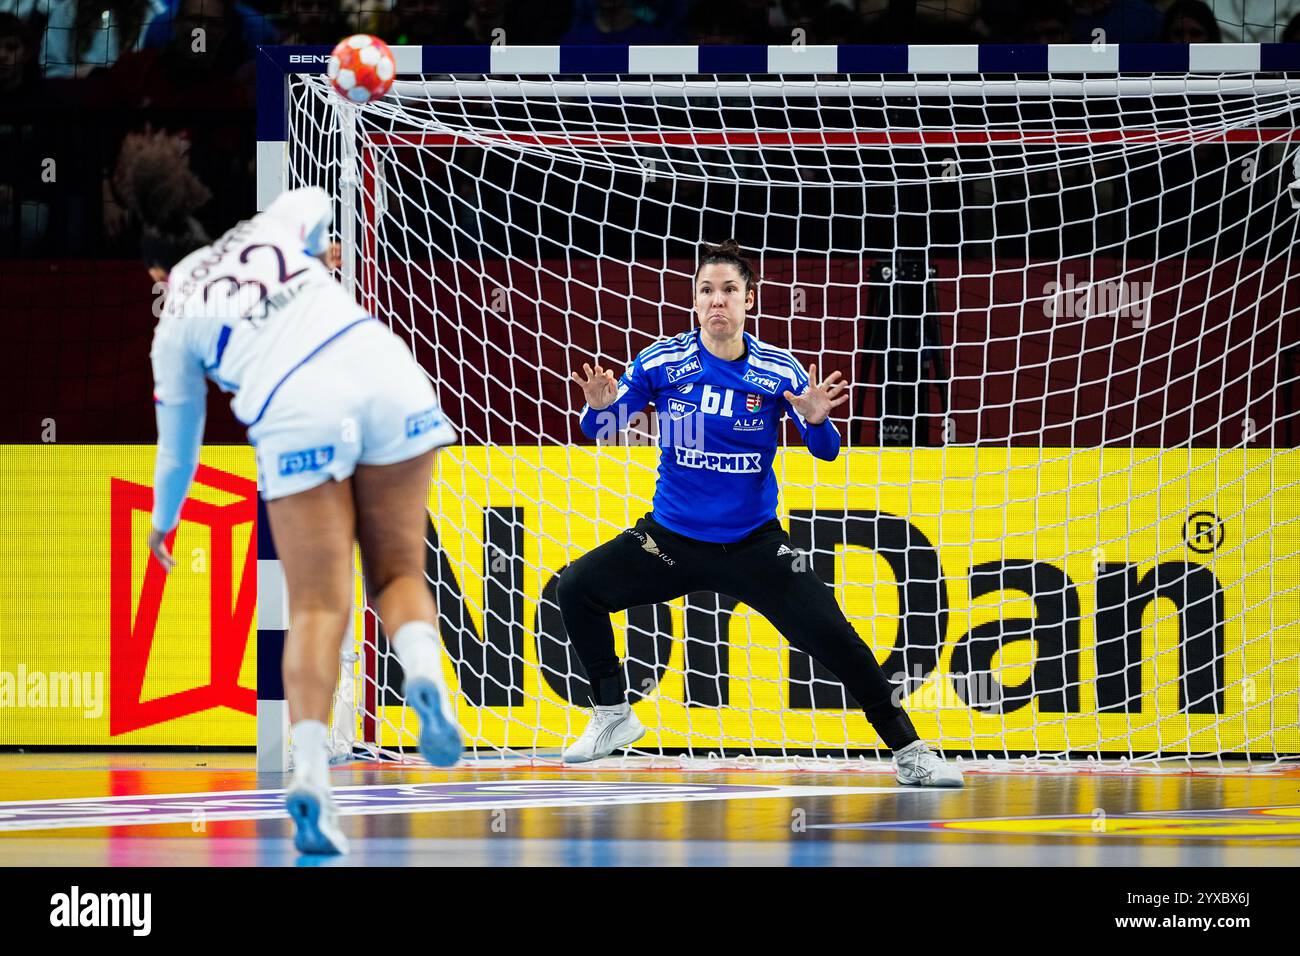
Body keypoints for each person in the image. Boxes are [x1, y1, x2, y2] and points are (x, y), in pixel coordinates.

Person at [119, 132, 463, 855]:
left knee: (315, 605)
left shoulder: (173, 320)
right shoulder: (267, 226)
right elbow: (316, 201)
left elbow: (178, 447)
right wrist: (314, 254)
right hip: (381, 369)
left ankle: (309, 778)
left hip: (294, 408)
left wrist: (164, 523)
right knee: (398, 572)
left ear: (156, 271)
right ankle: (426, 677)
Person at [559, 240, 964, 787]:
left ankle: (910, 751)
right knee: (577, 588)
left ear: (750, 298)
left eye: (728, 290)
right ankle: (613, 715)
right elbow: (598, 430)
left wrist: (817, 419)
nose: (717, 300)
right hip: (670, 541)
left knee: (835, 637)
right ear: (695, 301)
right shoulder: (660, 361)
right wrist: (601, 406)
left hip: (755, 546)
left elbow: (825, 450)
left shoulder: (778, 370)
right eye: (707, 290)